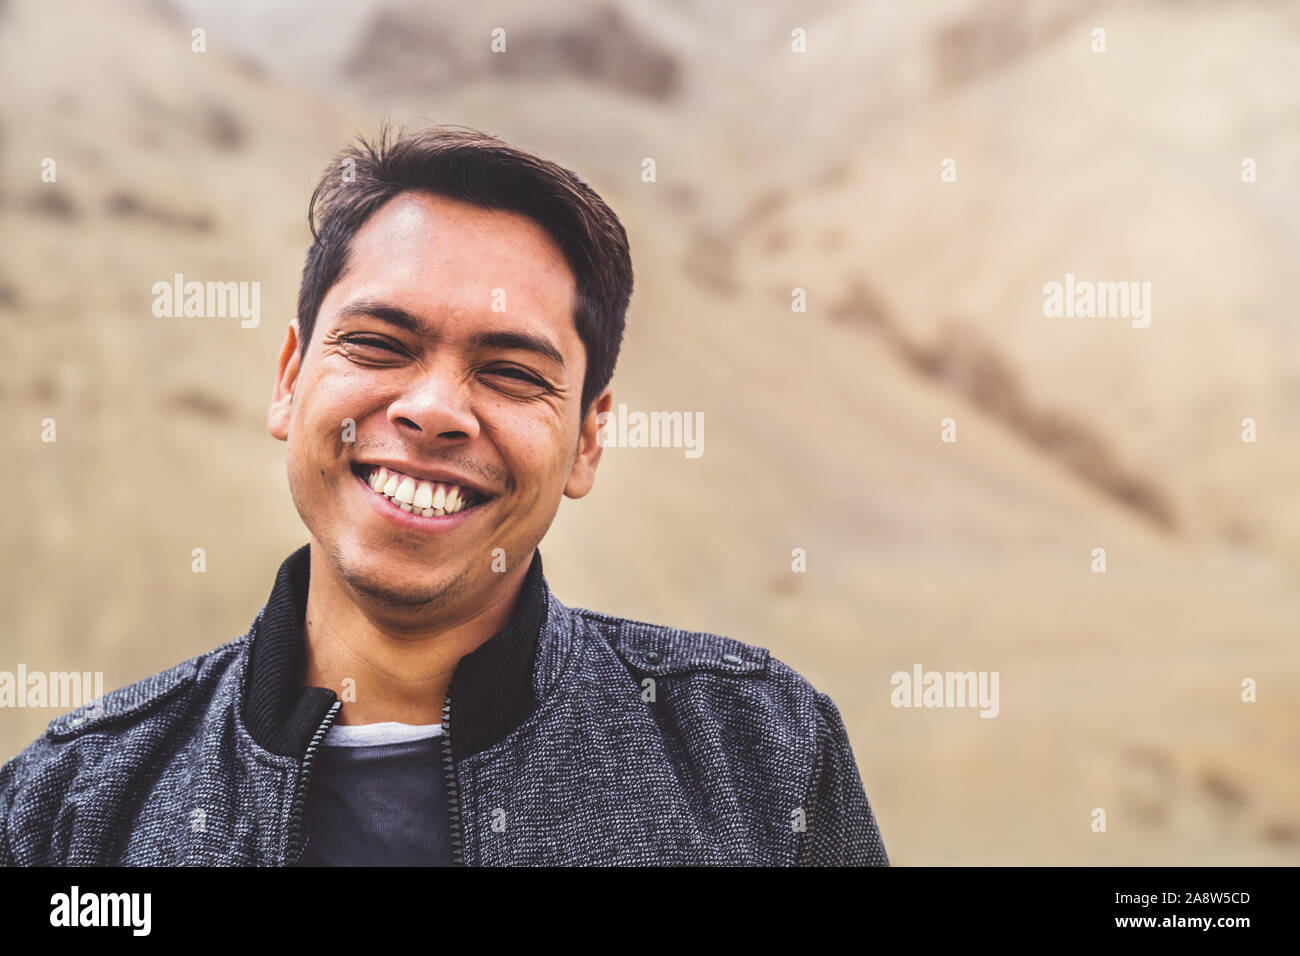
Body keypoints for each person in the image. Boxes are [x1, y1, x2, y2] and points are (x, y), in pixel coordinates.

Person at [0, 124, 888, 866]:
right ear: (288, 378)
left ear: (586, 438)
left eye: (509, 372)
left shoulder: (758, 756)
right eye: (381, 346)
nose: (432, 411)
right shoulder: (68, 814)